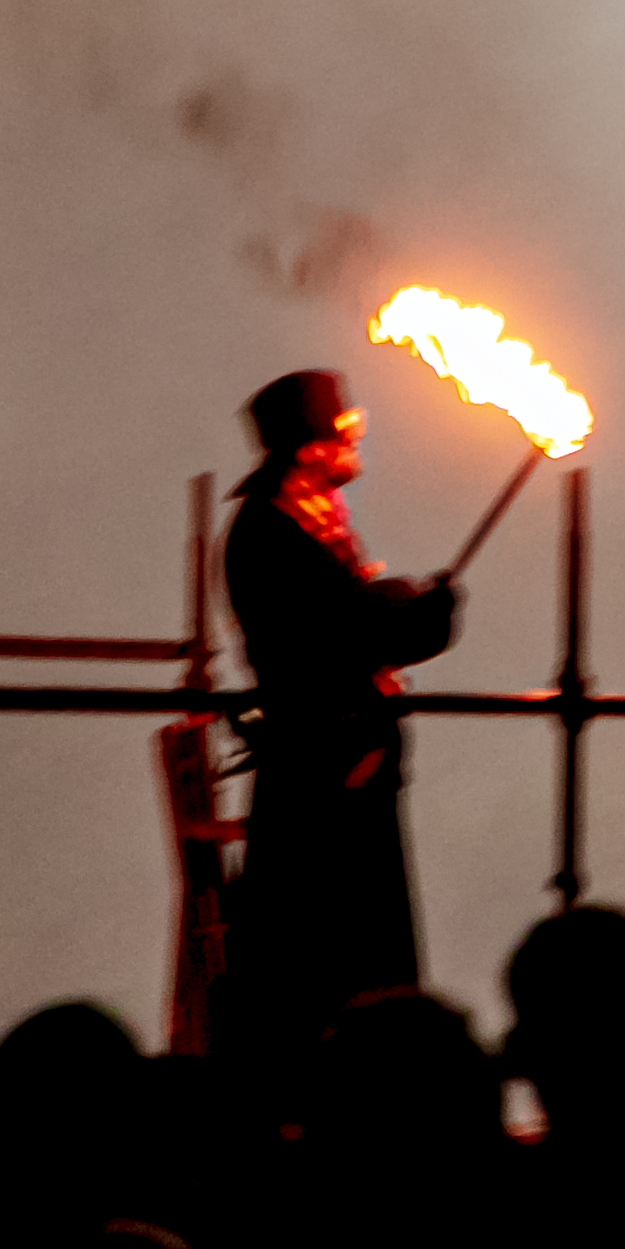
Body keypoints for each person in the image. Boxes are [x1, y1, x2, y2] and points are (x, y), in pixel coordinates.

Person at [220, 368, 458, 1054]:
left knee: (368, 961)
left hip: (351, 777)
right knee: (316, 972)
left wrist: (414, 611)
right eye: (342, 429)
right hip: (318, 779)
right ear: (306, 447)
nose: (355, 439)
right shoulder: (268, 531)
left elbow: (358, 626)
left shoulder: (313, 517)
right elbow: (323, 643)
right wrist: (402, 613)